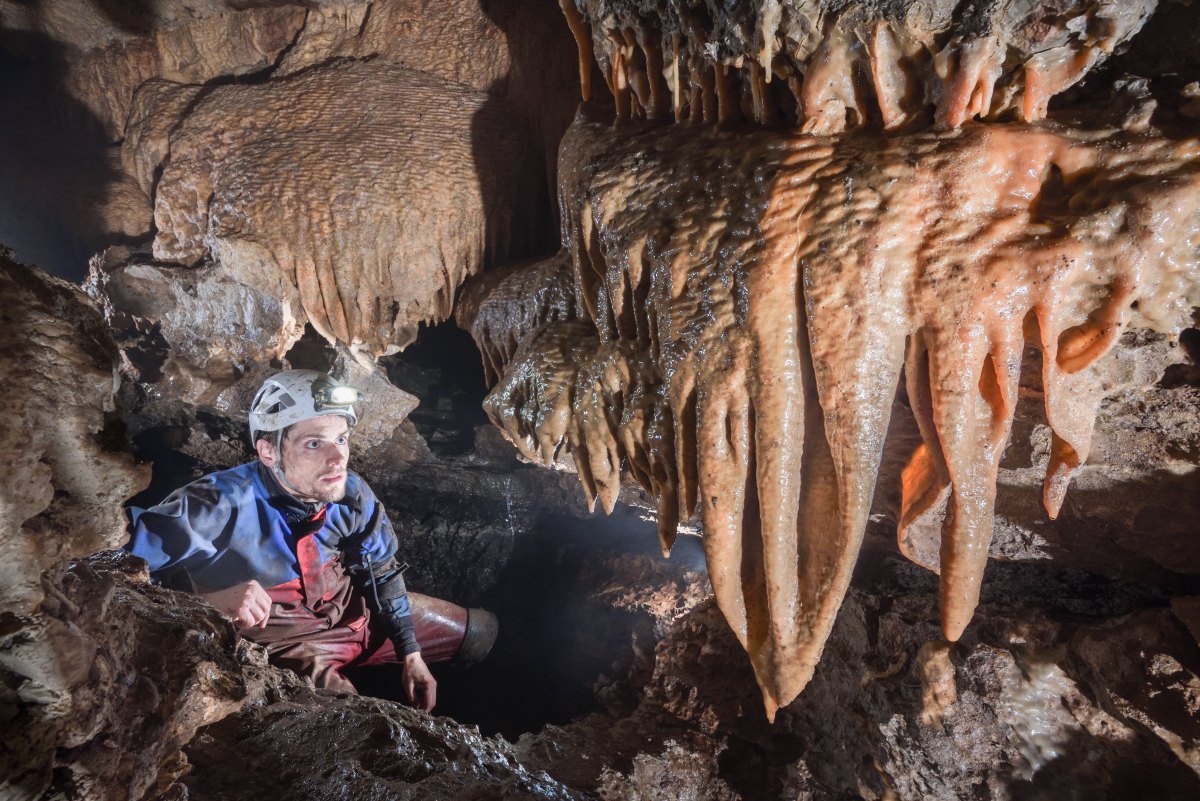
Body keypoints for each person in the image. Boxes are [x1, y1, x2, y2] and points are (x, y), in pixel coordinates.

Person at [125, 370, 497, 711]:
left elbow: (382, 571)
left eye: (341, 439)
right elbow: (115, 578)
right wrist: (210, 605)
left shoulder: (350, 493)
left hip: (358, 617)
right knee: (354, 723)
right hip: (293, 646)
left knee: (480, 634)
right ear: (269, 452)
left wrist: (411, 654)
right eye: (314, 445)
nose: (338, 459)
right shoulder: (213, 506)